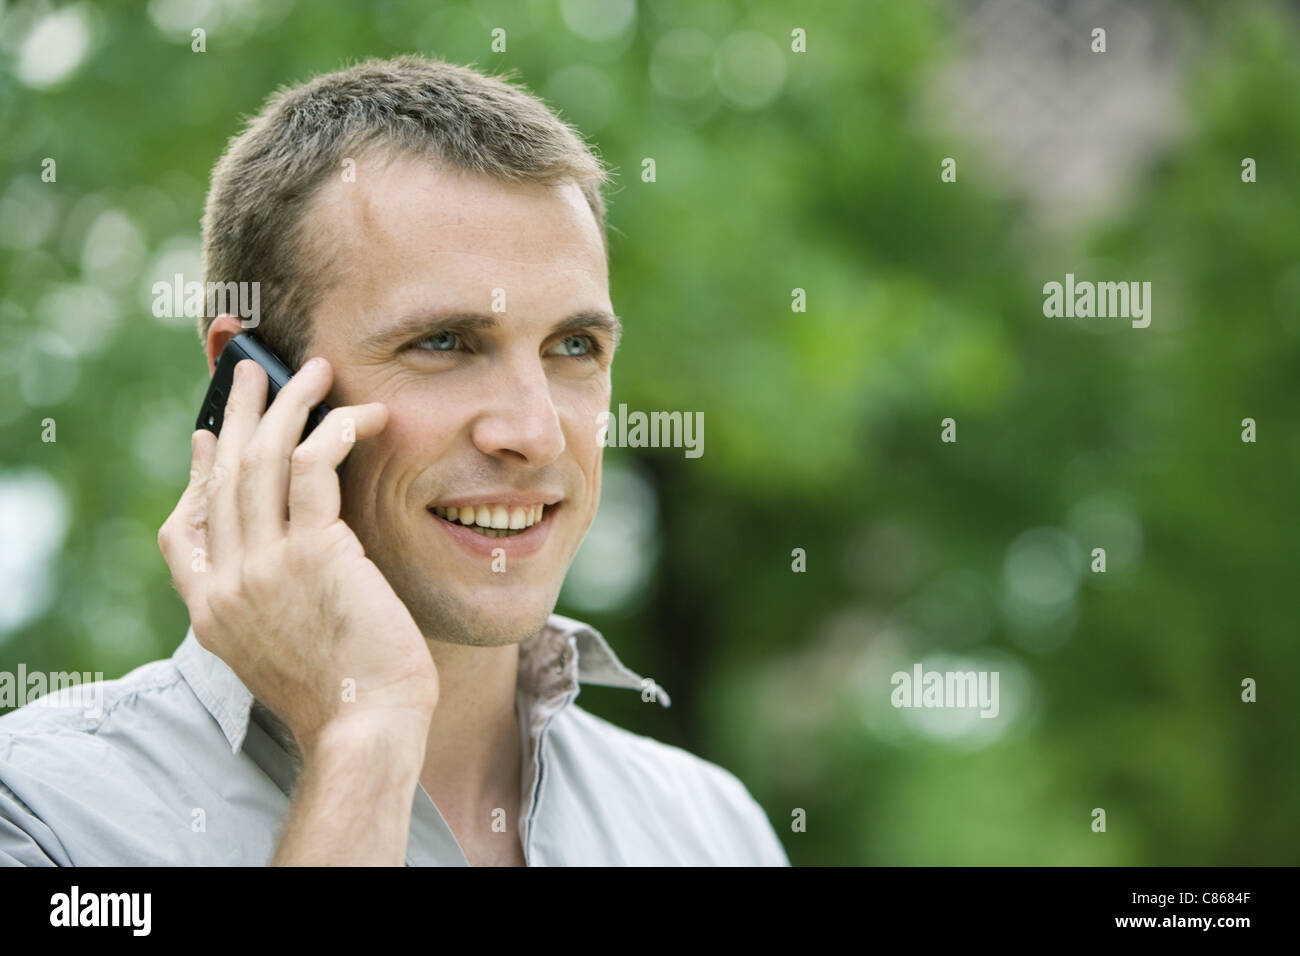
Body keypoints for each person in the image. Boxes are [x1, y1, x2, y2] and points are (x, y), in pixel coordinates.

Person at [0, 55, 789, 866]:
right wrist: (364, 733)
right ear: (254, 386)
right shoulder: (44, 815)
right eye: (444, 343)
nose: (536, 432)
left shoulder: (712, 830)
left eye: (574, 346)